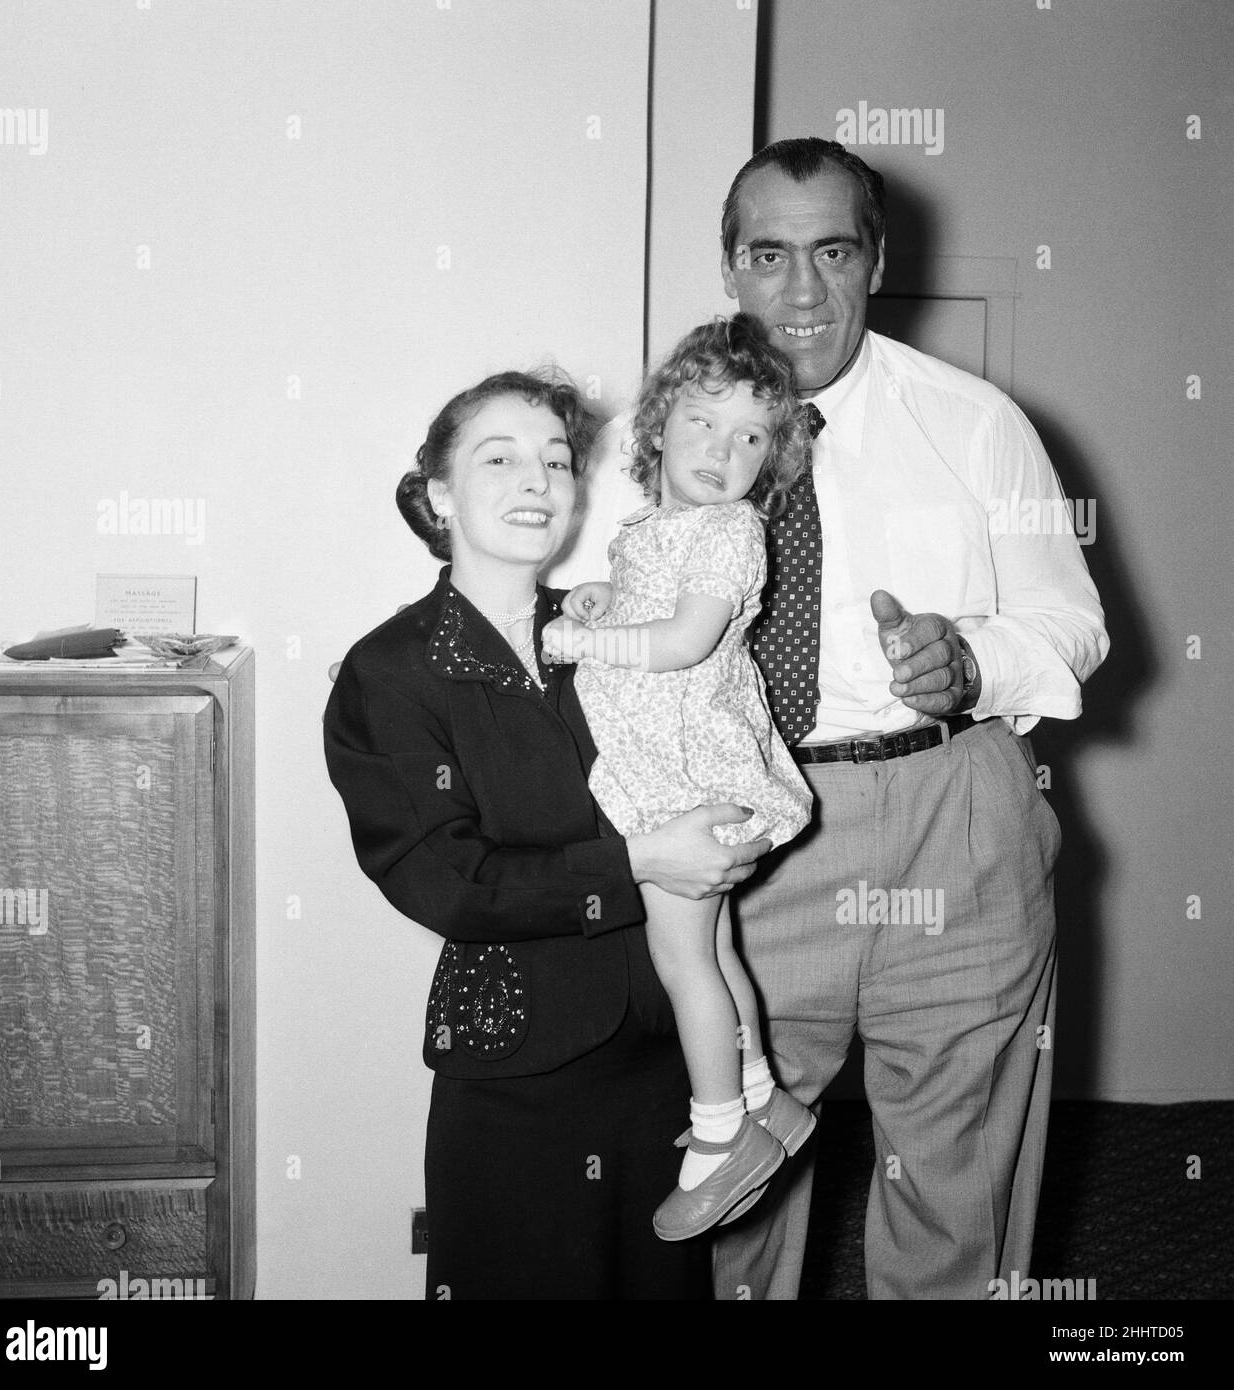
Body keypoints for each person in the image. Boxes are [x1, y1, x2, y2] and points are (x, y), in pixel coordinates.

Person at [680, 138, 1108, 1299]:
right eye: (770, 254)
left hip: (954, 815)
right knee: (736, 1172)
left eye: (832, 252)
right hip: (753, 827)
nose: (803, 291)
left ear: (877, 260)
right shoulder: (671, 437)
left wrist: (974, 661)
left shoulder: (974, 424)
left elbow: (1072, 627)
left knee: (955, 1171)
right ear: (730, 265)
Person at [323, 369, 769, 1300]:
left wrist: (737, 825)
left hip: (665, 1051)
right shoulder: (391, 671)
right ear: (438, 495)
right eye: (501, 458)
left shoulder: (613, 628)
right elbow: (448, 883)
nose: (537, 480)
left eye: (556, 461)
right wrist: (643, 860)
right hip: (518, 1062)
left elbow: (710, 738)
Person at [542, 316, 816, 1242]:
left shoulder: (733, 531)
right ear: (660, 426)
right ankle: (760, 1097)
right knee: (720, 950)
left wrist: (582, 641)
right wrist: (599, 597)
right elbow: (648, 606)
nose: (725, 449)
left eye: (751, 438)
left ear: (767, 462)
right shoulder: (658, 528)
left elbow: (686, 641)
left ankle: (716, 1140)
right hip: (675, 765)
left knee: (681, 959)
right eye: (705, 422)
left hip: (690, 778)